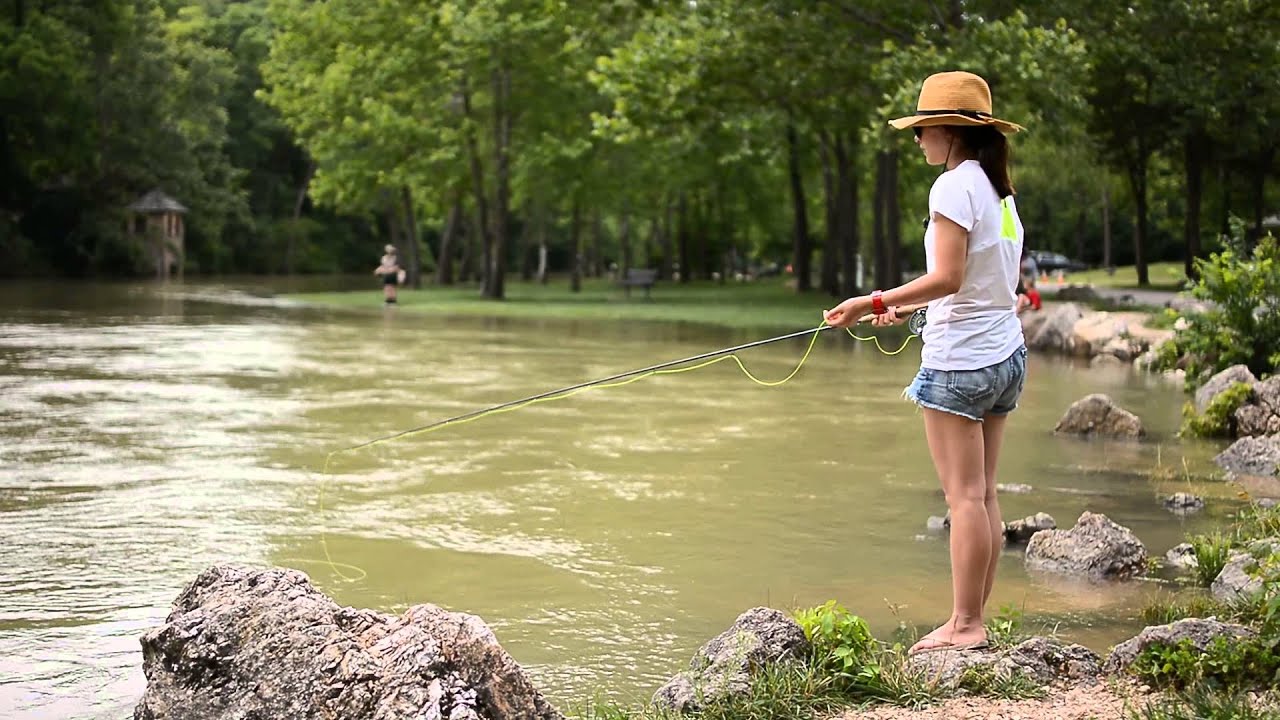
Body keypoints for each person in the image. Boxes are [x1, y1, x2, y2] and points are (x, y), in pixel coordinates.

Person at [823, 71, 1027, 655]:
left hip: (962, 364)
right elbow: (989, 280)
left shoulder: (951, 188)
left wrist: (874, 301)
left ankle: (965, 625)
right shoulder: (999, 192)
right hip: (1005, 355)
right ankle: (974, 618)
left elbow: (950, 277)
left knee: (962, 498)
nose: (917, 141)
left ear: (948, 131)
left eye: (921, 130)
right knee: (983, 494)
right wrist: (911, 310)